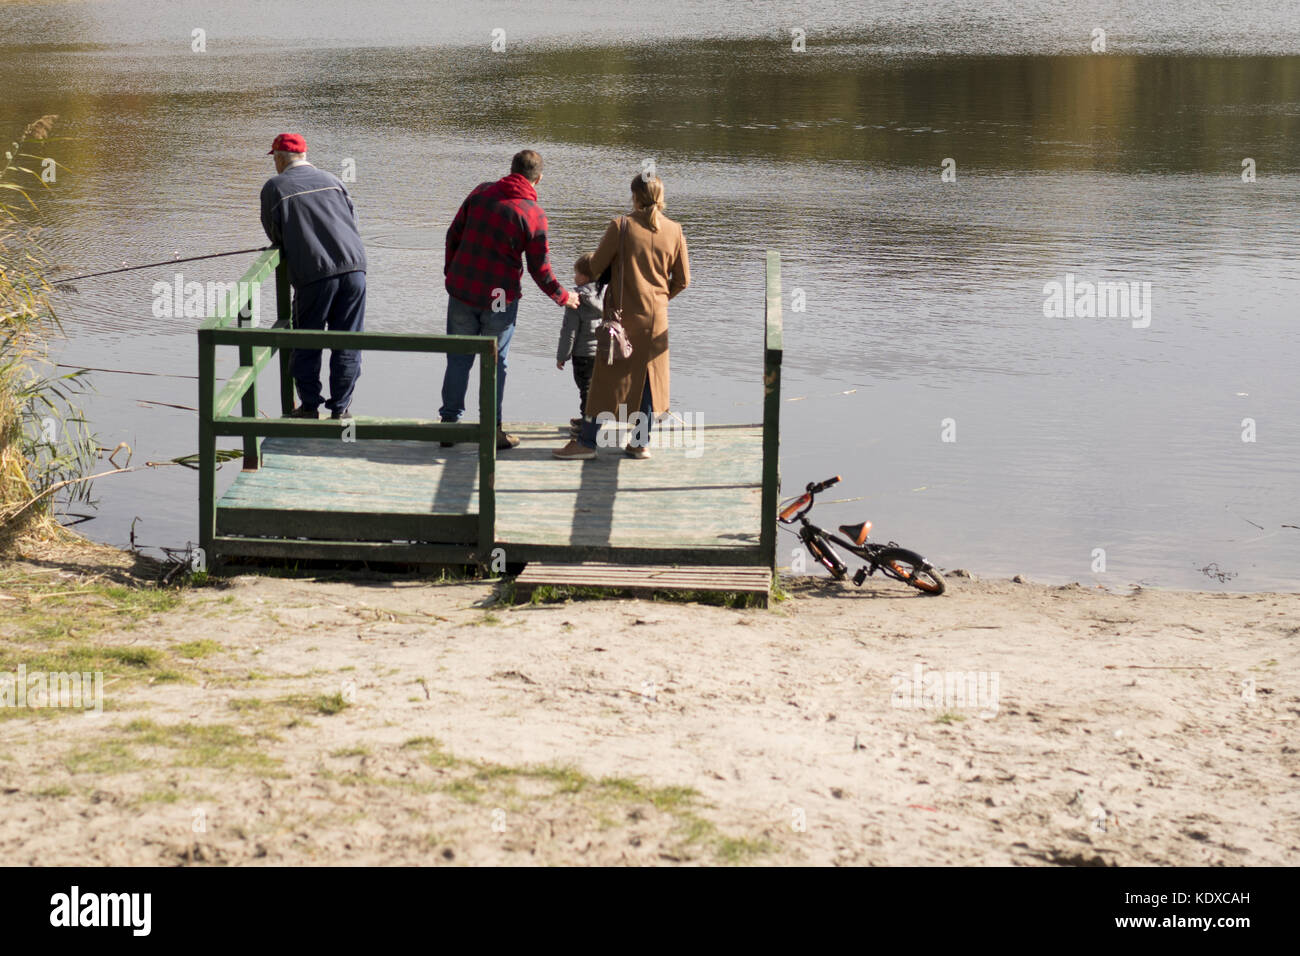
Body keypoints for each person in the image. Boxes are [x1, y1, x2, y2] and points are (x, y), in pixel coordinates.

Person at [441, 150, 579, 450]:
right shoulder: (532, 213)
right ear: (538, 179)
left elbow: (453, 234)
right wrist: (563, 297)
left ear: (511, 169)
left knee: (458, 359)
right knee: (495, 363)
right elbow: (539, 269)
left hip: (463, 291)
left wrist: (451, 274)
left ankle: (449, 427)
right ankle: (492, 431)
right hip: (500, 299)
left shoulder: (480, 192)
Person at [554, 173, 689, 461]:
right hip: (656, 320)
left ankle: (587, 443)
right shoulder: (675, 230)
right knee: (649, 381)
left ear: (635, 196)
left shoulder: (621, 226)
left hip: (622, 318)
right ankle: (640, 443)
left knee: (605, 379)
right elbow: (682, 280)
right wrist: (660, 300)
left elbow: (595, 265)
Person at [259, 133, 367, 419]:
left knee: (307, 338)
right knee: (348, 340)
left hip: (315, 273)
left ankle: (309, 407)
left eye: (275, 159)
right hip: (355, 268)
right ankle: (341, 410)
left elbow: (274, 232)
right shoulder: (335, 181)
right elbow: (352, 222)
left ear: (280, 158)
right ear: (305, 156)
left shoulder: (275, 187)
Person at [555, 268, 606, 435]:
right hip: (603, 352)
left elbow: (569, 332)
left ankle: (588, 426)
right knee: (596, 389)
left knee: (586, 389)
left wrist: (563, 356)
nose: (574, 276)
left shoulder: (575, 299)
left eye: (577, 273)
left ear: (585, 277)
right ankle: (591, 419)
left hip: (583, 354)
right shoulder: (607, 294)